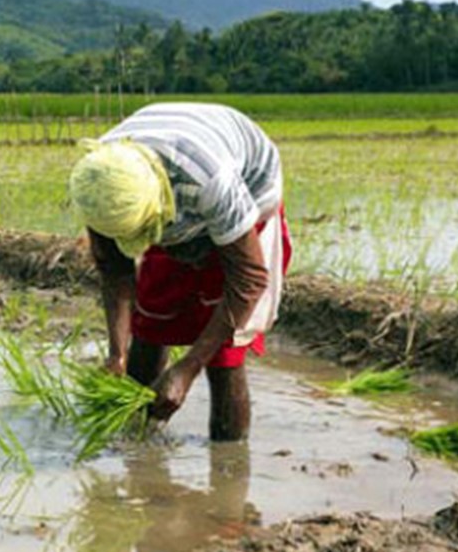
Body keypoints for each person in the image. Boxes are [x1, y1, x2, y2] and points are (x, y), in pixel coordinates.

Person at [68, 103, 292, 441]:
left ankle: (228, 460)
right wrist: (117, 354)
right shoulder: (101, 186)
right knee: (152, 320)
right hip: (170, 193)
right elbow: (115, 271)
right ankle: (137, 447)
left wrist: (187, 368)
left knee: (223, 352)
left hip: (248, 194)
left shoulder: (212, 182)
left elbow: (249, 278)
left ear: (156, 208)